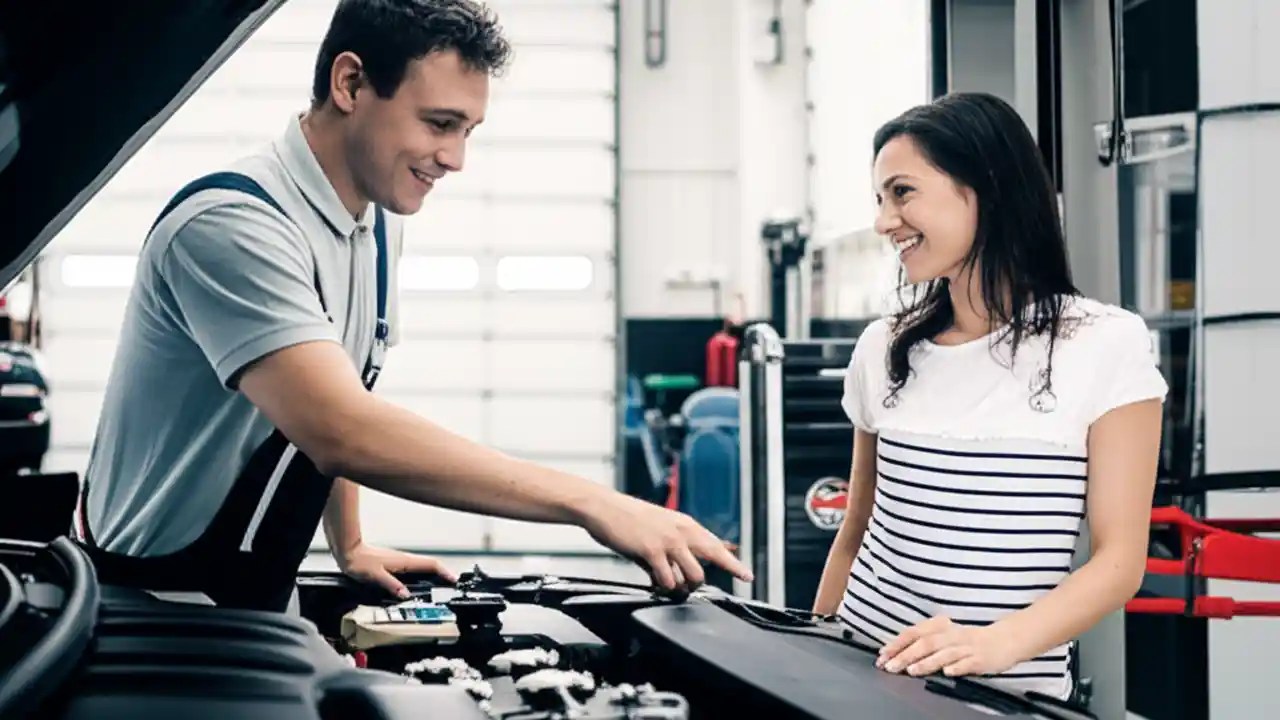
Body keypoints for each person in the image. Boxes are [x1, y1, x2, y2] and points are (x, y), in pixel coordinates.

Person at [75, 0, 750, 613]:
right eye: (440, 124)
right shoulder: (232, 226)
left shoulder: (375, 223)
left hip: (249, 599)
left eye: (469, 130)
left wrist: (352, 543)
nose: (455, 158)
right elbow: (337, 428)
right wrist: (590, 502)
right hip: (149, 607)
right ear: (350, 84)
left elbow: (336, 389)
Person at [811, 92, 1166, 701]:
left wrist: (993, 644)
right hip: (857, 677)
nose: (882, 221)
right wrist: (810, 660)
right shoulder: (883, 346)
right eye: (879, 199)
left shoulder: (1107, 344)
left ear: (986, 187)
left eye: (902, 192)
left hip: (1003, 695)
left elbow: (1118, 563)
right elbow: (857, 528)